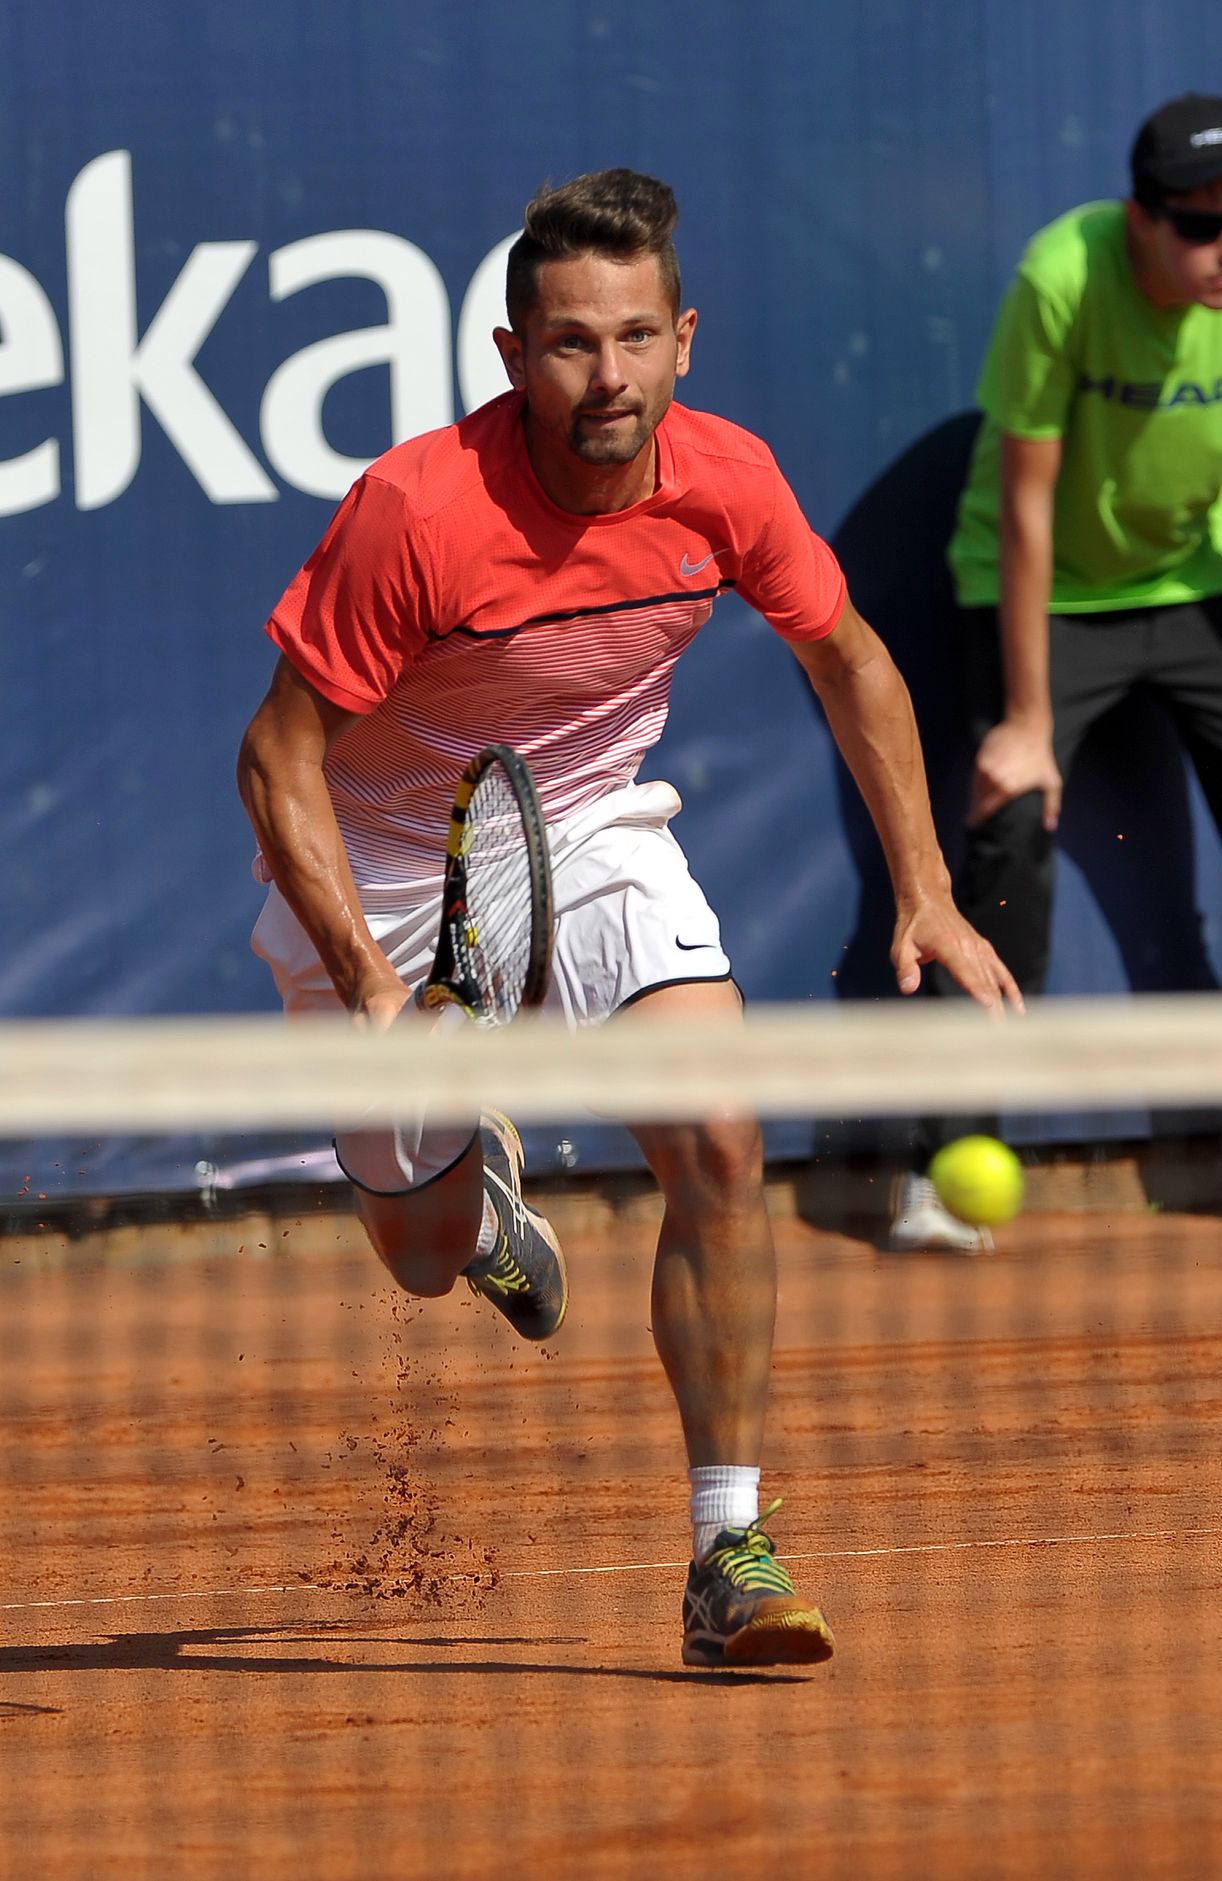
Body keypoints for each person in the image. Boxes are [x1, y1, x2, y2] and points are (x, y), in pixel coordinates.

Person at [238, 167, 1019, 1668]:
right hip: (379, 869)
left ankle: (729, 1545)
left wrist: (923, 876)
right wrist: (373, 987)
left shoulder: (726, 482)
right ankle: (478, 1208)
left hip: (587, 819)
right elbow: (276, 758)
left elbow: (850, 662)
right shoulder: (416, 512)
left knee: (721, 1136)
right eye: (572, 343)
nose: (609, 376)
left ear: (685, 340)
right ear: (512, 353)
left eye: (637, 338)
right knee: (411, 1248)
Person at [893, 92, 1222, 1254]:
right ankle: (947, 1162)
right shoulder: (1059, 276)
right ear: (1137, 220)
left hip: (1192, 578)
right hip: (1044, 590)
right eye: (1197, 224)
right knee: (1007, 820)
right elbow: (1020, 502)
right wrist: (1024, 718)